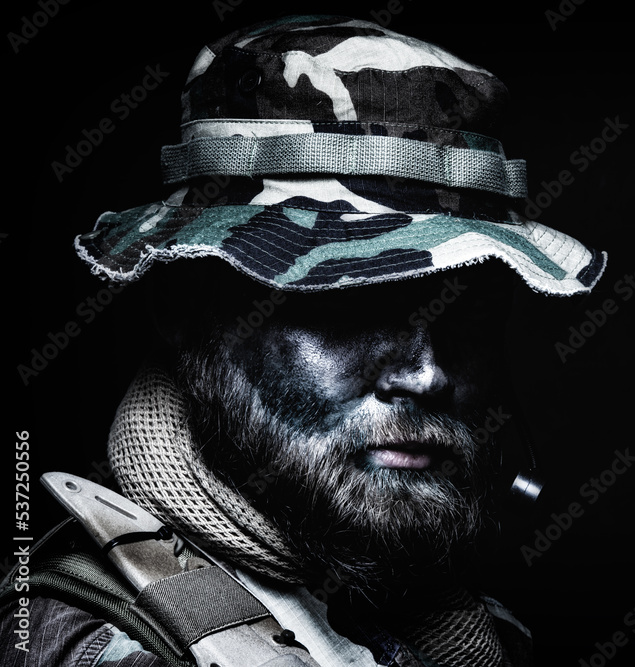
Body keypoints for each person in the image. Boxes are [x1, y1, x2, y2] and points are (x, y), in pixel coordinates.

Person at [1, 14, 604, 667]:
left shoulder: (441, 613)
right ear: (185, 309)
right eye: (349, 306)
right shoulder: (74, 642)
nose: (427, 373)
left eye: (467, 312)